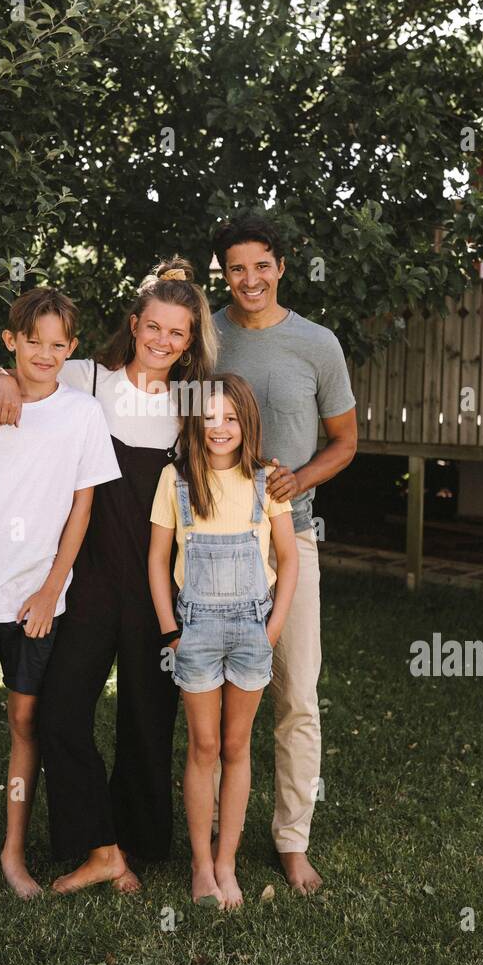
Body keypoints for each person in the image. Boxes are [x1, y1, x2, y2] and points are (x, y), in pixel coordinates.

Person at [0, 258, 217, 893]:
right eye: (154, 327)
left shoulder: (194, 405)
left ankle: (135, 846)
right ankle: (99, 845)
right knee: (58, 714)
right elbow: (25, 372)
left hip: (160, 589)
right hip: (86, 583)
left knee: (147, 721)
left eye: (179, 334)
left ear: (191, 343)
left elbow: (234, 454)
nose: (164, 341)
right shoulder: (89, 379)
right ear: (134, 325)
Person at [0, 287, 121, 899]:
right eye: (32, 341)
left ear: (72, 350)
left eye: (57, 344)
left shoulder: (81, 414)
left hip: (36, 601)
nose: (44, 353)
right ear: (11, 341)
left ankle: (13, 852)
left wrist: (50, 591)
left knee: (23, 719)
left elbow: (81, 508)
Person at [211, 217, 358, 894]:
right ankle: (216, 846)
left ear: (281, 267)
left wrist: (304, 477)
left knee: (296, 693)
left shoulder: (317, 345)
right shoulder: (206, 337)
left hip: (291, 537)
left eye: (261, 266)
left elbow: (345, 441)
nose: (250, 280)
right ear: (225, 274)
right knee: (211, 701)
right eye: (236, 269)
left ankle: (292, 841)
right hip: (214, 541)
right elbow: (133, 376)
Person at [149, 374, 298, 909]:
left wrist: (273, 628)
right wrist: (170, 631)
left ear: (247, 423)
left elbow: (289, 558)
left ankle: (227, 862)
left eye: (231, 418)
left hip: (251, 632)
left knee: (237, 747)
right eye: (209, 418)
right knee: (204, 747)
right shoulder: (177, 480)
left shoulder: (265, 480)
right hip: (195, 634)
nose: (219, 428)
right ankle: (199, 864)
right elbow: (157, 561)